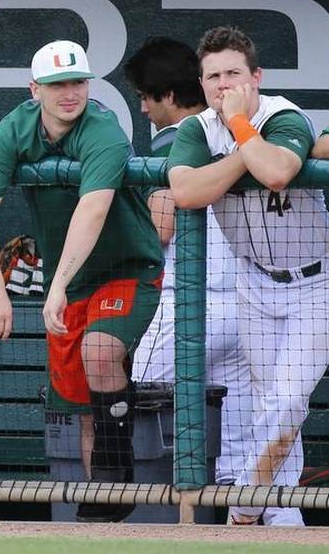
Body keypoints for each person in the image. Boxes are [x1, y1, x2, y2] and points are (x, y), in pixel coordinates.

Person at [0, 40, 163, 523]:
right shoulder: (13, 130)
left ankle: (117, 486)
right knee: (82, 404)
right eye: (57, 84)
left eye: (77, 81)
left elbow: (92, 210)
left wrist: (54, 286)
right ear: (35, 90)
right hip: (71, 282)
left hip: (126, 268)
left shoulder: (104, 129)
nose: (69, 92)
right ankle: (101, 512)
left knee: (100, 353)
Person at [167, 26, 329, 526]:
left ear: (255, 77)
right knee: (271, 405)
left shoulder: (281, 114)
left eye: (233, 73)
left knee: (285, 400)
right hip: (253, 283)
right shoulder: (197, 131)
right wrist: (243, 153)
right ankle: (285, 521)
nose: (223, 84)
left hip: (314, 283)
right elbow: (188, 192)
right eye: (213, 76)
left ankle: (248, 500)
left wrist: (240, 123)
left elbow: (278, 171)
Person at [123, 37, 288, 518]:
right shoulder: (249, 133)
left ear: (170, 96)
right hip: (247, 304)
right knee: (239, 440)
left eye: (147, 97)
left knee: (140, 398)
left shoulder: (183, 139)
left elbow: (163, 226)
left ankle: (154, 518)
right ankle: (249, 528)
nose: (144, 108)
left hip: (191, 306)